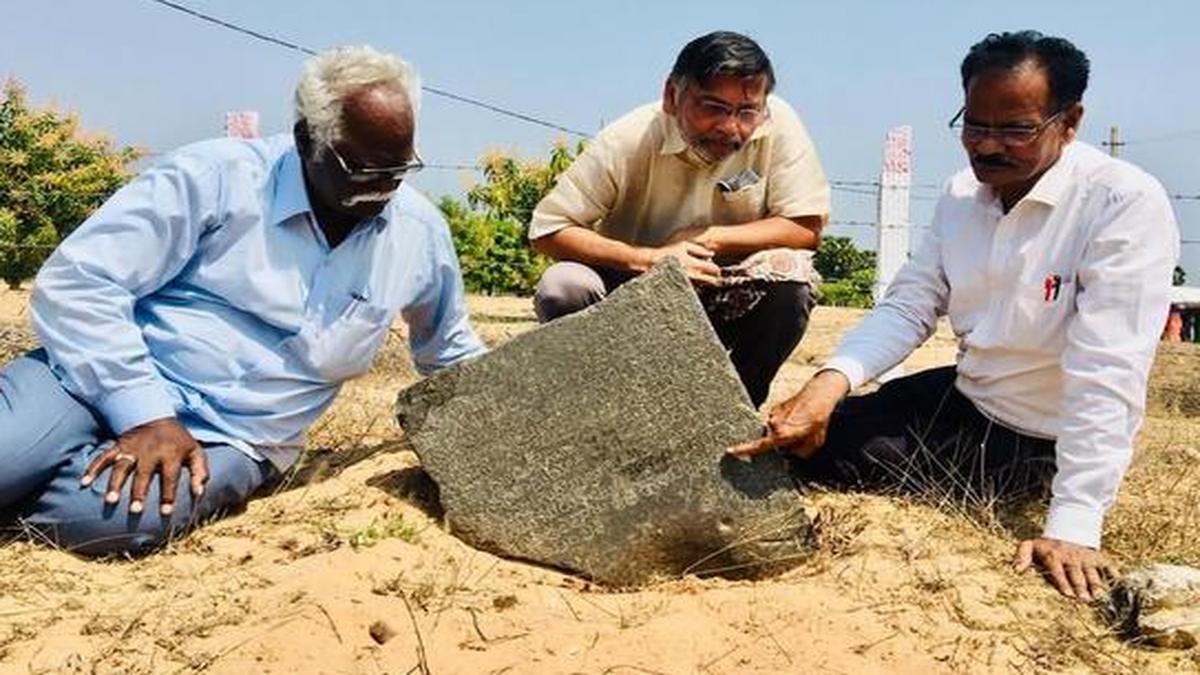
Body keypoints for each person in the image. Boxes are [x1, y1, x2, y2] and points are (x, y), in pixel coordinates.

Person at [731, 31, 1179, 601]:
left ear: (1070, 122)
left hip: (1037, 437)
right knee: (800, 439)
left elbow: (1107, 370)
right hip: (964, 394)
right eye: (974, 124)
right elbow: (911, 303)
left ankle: (1033, 484)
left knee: (842, 460)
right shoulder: (962, 194)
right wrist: (829, 381)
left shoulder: (1122, 204)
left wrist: (1075, 524)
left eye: (1015, 130)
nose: (987, 145)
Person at [0, 45, 484, 555]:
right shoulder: (215, 177)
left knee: (114, 519)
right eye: (362, 169)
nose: (383, 188)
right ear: (307, 139)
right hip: (95, 379)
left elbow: (450, 351)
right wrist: (144, 414)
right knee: (7, 454)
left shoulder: (419, 234)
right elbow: (81, 279)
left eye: (400, 168)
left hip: (232, 435)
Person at [528, 31, 830, 407]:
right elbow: (549, 229)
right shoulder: (628, 138)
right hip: (630, 291)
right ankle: (600, 408)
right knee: (563, 285)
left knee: (791, 279)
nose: (730, 127)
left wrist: (707, 237)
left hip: (726, 289)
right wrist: (650, 260)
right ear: (672, 95)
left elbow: (805, 227)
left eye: (746, 112)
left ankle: (732, 412)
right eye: (713, 107)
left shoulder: (778, 123)